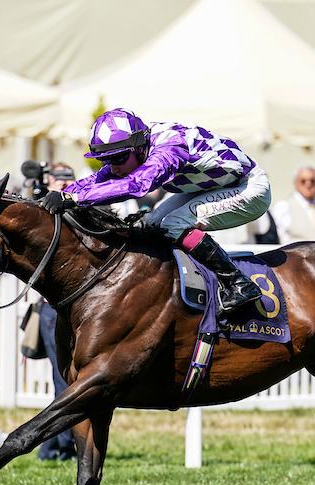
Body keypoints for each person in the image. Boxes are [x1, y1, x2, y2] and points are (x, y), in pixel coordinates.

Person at [42, 108, 270, 313]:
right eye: (106, 160)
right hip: (210, 186)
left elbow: (137, 185)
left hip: (248, 187)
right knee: (150, 224)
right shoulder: (134, 148)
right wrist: (55, 197)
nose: (114, 167)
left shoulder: (169, 148)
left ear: (140, 148)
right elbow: (96, 180)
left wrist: (74, 198)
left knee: (173, 224)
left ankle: (239, 283)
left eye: (119, 158)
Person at [35, 163, 77, 462]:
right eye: (59, 180)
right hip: (52, 308)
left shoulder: (78, 205)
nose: (64, 184)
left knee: (72, 379)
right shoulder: (41, 210)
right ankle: (62, 445)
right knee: (63, 379)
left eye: (68, 179)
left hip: (78, 306)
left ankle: (53, 447)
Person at [268, 167, 315, 244]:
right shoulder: (283, 207)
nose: (308, 184)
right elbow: (281, 237)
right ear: (296, 183)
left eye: (312, 181)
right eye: (303, 181)